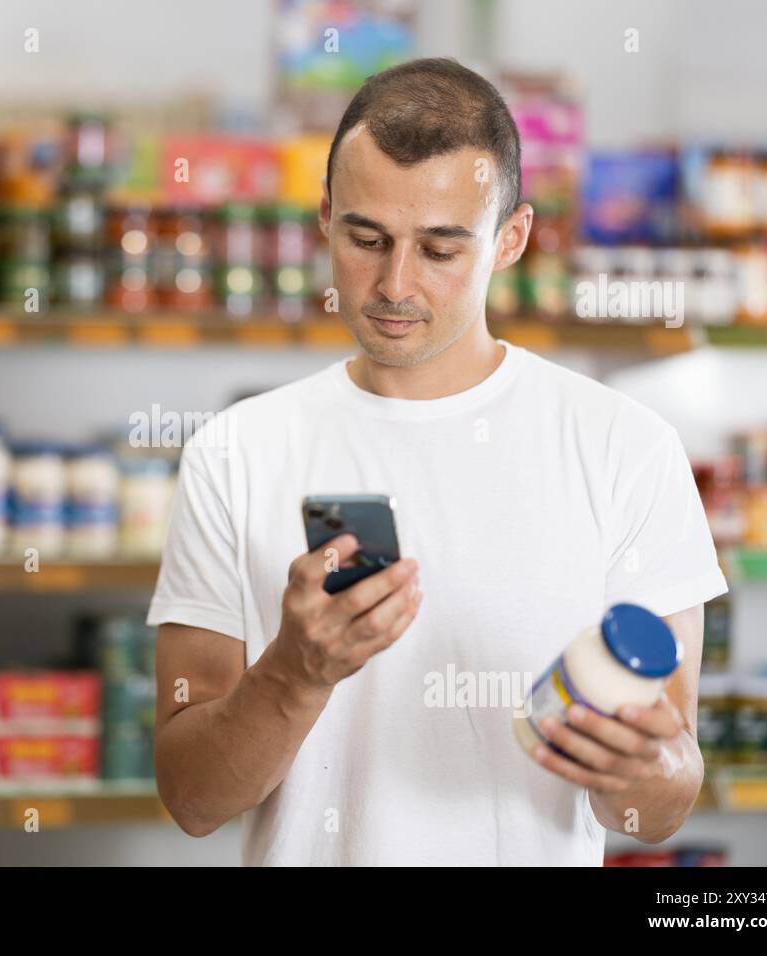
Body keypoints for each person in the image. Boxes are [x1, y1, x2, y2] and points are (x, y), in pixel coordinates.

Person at [147, 57, 727, 866]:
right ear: (324, 220)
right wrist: (294, 675)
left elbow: (659, 810)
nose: (394, 284)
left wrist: (645, 766)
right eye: (366, 238)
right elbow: (192, 798)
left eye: (440, 249)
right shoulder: (236, 454)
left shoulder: (625, 448)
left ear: (511, 239)